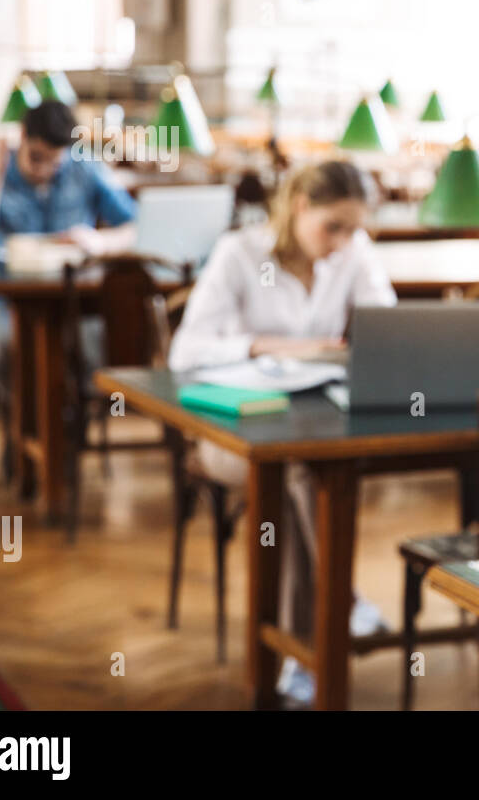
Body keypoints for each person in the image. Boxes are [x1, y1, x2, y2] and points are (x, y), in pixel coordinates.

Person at [167, 159, 396, 704]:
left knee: (302, 466)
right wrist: (269, 345)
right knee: (297, 469)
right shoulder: (239, 254)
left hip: (312, 423)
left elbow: (386, 329)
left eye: (354, 228)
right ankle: (330, 615)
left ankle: (305, 651)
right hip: (229, 431)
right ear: (299, 208)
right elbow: (186, 352)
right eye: (332, 227)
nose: (342, 241)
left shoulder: (352, 254)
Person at [0, 99, 138, 381]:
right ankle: (30, 421)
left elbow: (135, 225)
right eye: (36, 157)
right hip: (7, 305)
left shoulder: (84, 168)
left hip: (75, 302)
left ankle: (72, 420)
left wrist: (99, 241)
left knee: (108, 347)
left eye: (54, 160)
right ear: (22, 137)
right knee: (2, 353)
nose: (44, 169)